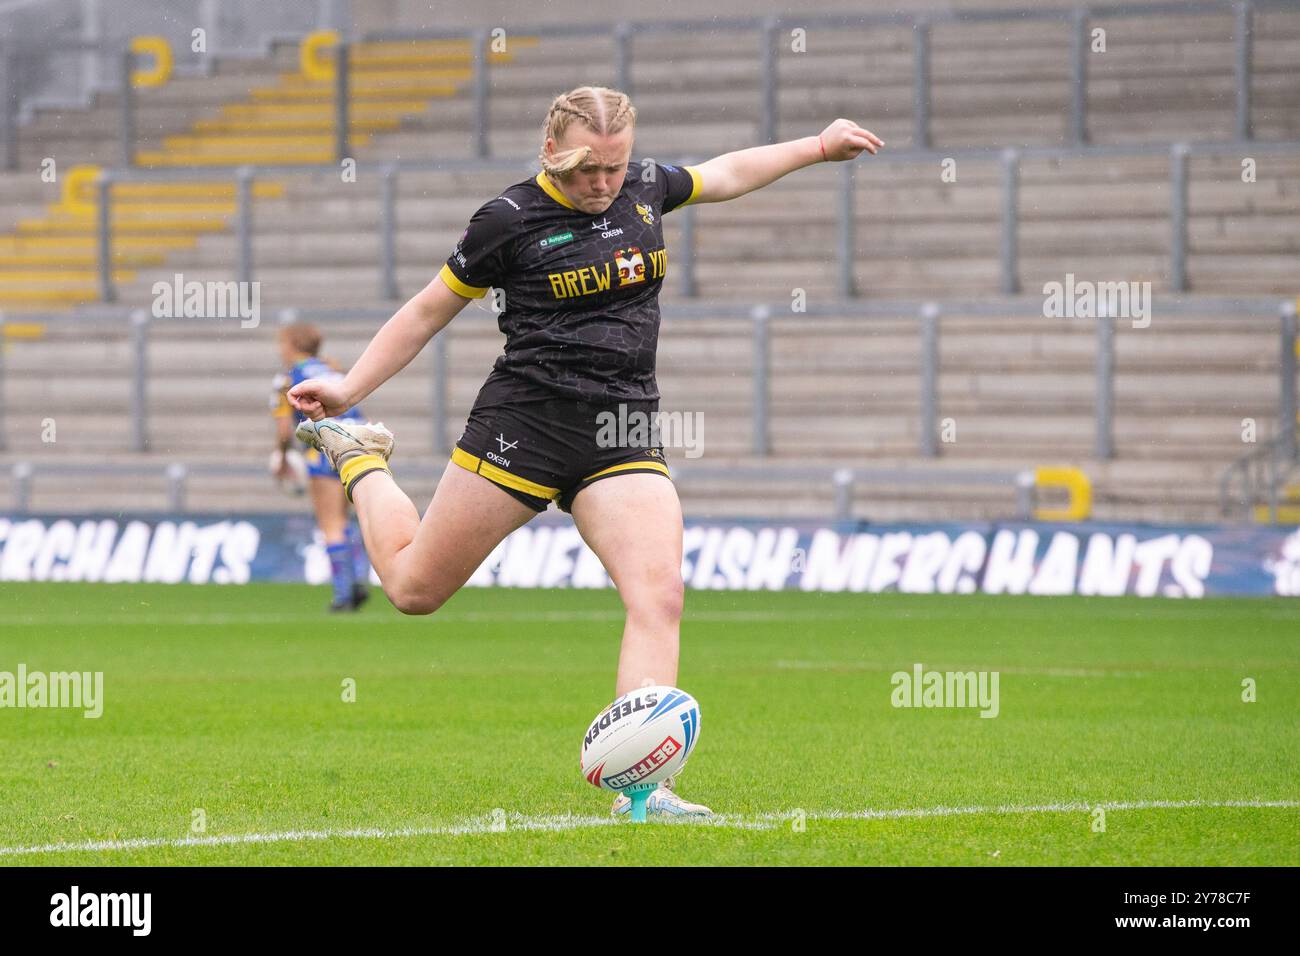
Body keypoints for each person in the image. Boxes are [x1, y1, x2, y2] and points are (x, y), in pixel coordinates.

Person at [290, 86, 882, 816]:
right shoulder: (506, 221)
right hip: (526, 424)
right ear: (550, 152)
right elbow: (425, 313)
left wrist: (818, 147)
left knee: (658, 594)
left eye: (613, 167)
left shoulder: (644, 188)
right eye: (585, 171)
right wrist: (348, 389)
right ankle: (360, 458)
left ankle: (644, 787)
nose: (602, 184)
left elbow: (726, 174)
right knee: (414, 591)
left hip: (623, 429)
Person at [270, 322, 372, 611]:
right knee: (347, 519)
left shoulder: (288, 378)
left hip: (323, 449)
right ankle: (359, 578)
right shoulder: (335, 371)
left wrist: (281, 458)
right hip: (355, 446)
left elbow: (284, 432)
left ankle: (345, 594)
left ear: (290, 345)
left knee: (331, 523)